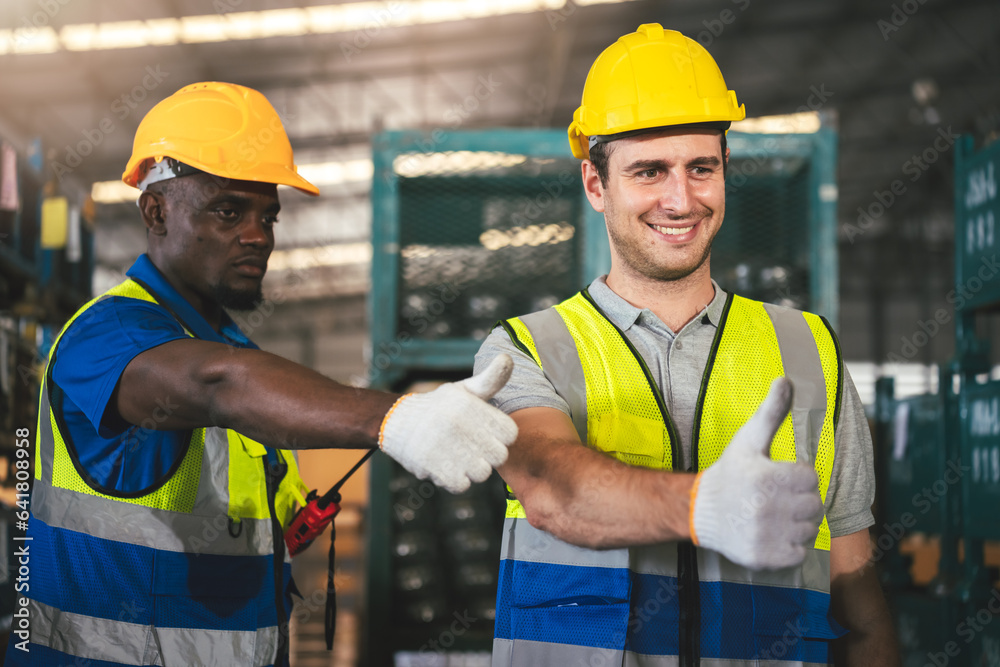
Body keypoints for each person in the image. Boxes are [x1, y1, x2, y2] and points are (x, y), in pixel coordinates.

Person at [8, 81, 518, 667]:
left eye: (268, 216)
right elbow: (216, 384)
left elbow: (250, 513)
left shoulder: (232, 348)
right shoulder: (108, 335)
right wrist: (395, 417)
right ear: (156, 210)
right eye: (229, 211)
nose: (259, 235)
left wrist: (289, 525)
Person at [475, 24, 898, 666]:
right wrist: (704, 506)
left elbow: (855, 588)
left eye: (701, 168)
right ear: (595, 184)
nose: (681, 199)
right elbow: (553, 488)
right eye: (649, 171)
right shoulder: (524, 352)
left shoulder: (808, 347)